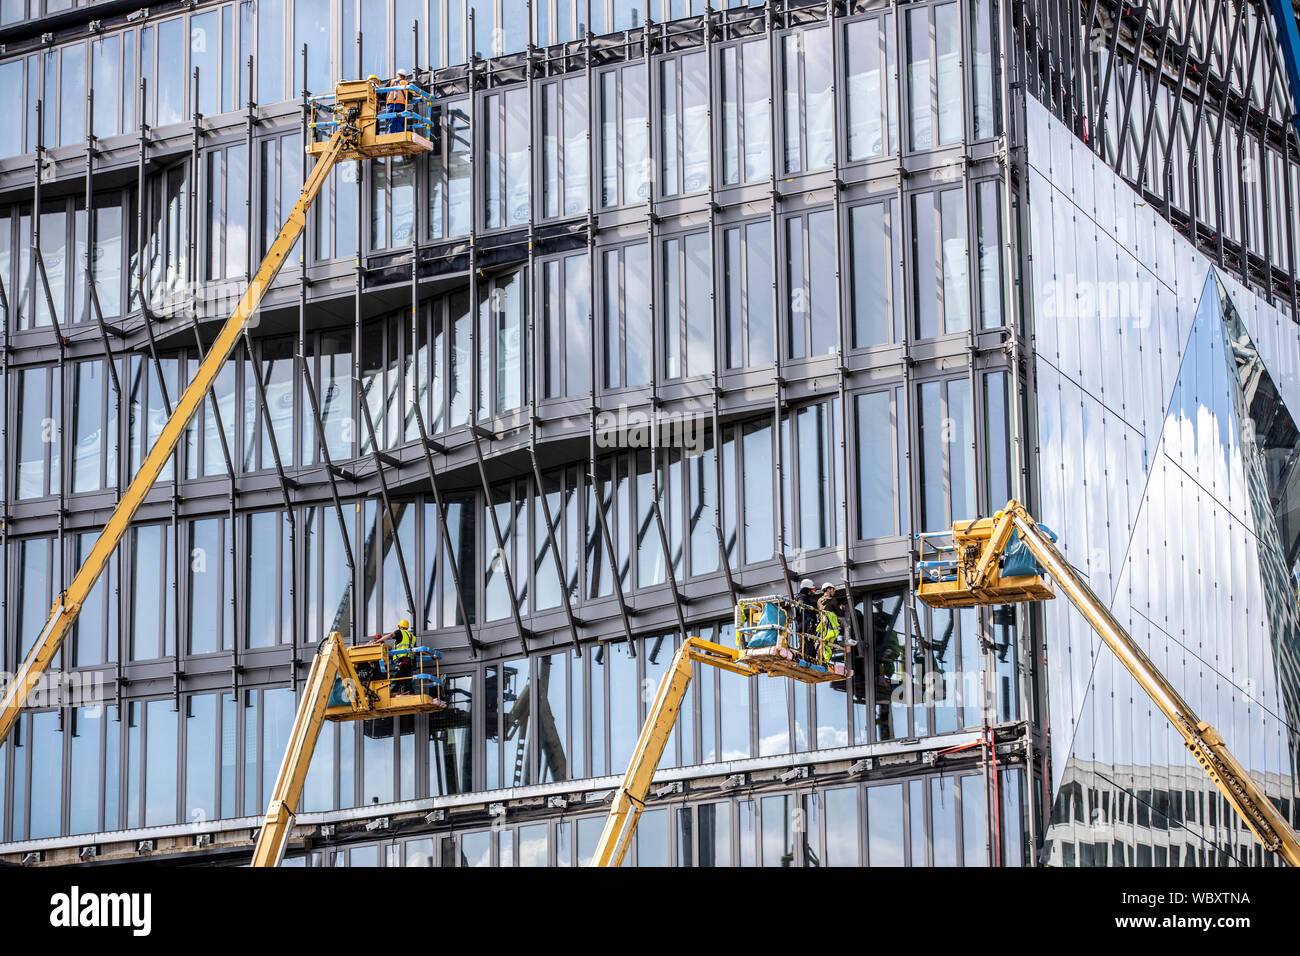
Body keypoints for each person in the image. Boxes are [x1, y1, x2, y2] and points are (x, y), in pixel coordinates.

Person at [817, 583, 843, 664]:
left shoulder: (819, 600)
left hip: (822, 625)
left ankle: (821, 661)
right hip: (830, 627)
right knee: (830, 644)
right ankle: (827, 662)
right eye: (833, 589)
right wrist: (841, 608)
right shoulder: (833, 600)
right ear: (828, 589)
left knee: (822, 643)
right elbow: (839, 613)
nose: (834, 592)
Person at [796, 579, 819, 660]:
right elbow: (802, 607)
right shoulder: (801, 598)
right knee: (805, 644)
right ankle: (803, 660)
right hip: (804, 625)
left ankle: (810, 660)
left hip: (807, 625)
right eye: (811, 590)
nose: (812, 592)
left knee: (810, 645)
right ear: (806, 589)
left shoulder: (806, 599)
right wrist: (809, 623)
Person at [385, 68, 412, 133]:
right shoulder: (406, 83)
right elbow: (410, 96)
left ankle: (390, 136)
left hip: (391, 105)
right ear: (404, 77)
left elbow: (383, 93)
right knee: (400, 122)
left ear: (397, 75)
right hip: (401, 105)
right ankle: (399, 135)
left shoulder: (391, 82)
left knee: (391, 121)